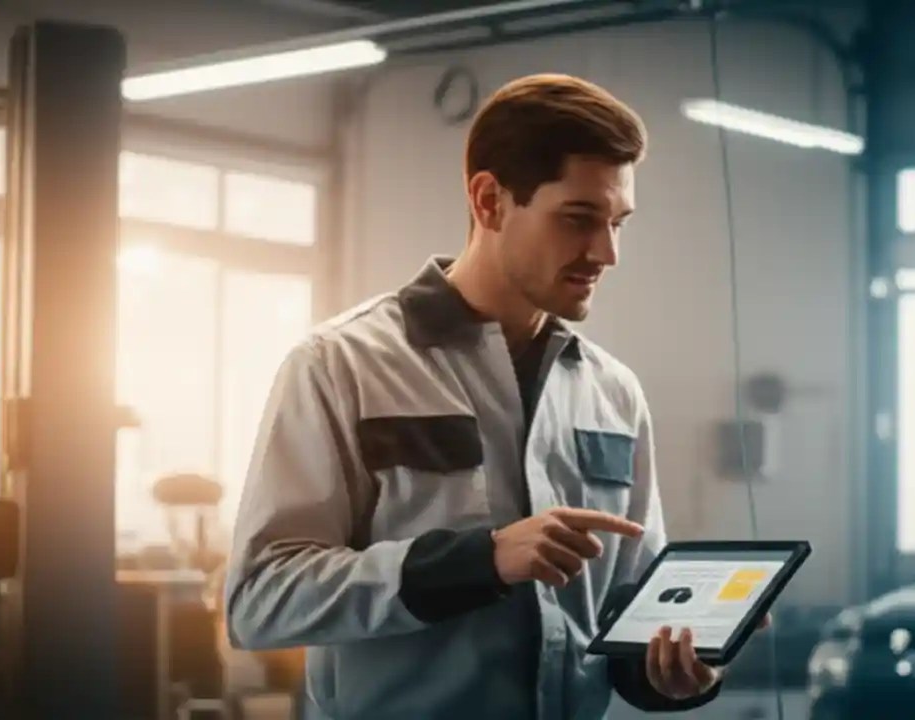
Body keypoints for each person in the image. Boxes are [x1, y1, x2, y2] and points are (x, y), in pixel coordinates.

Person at [224, 74, 726, 719]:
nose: (607, 252)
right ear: (489, 201)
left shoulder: (613, 392)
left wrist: (671, 671)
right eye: (579, 219)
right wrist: (481, 561)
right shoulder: (340, 365)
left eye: (617, 222)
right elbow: (262, 601)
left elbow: (623, 615)